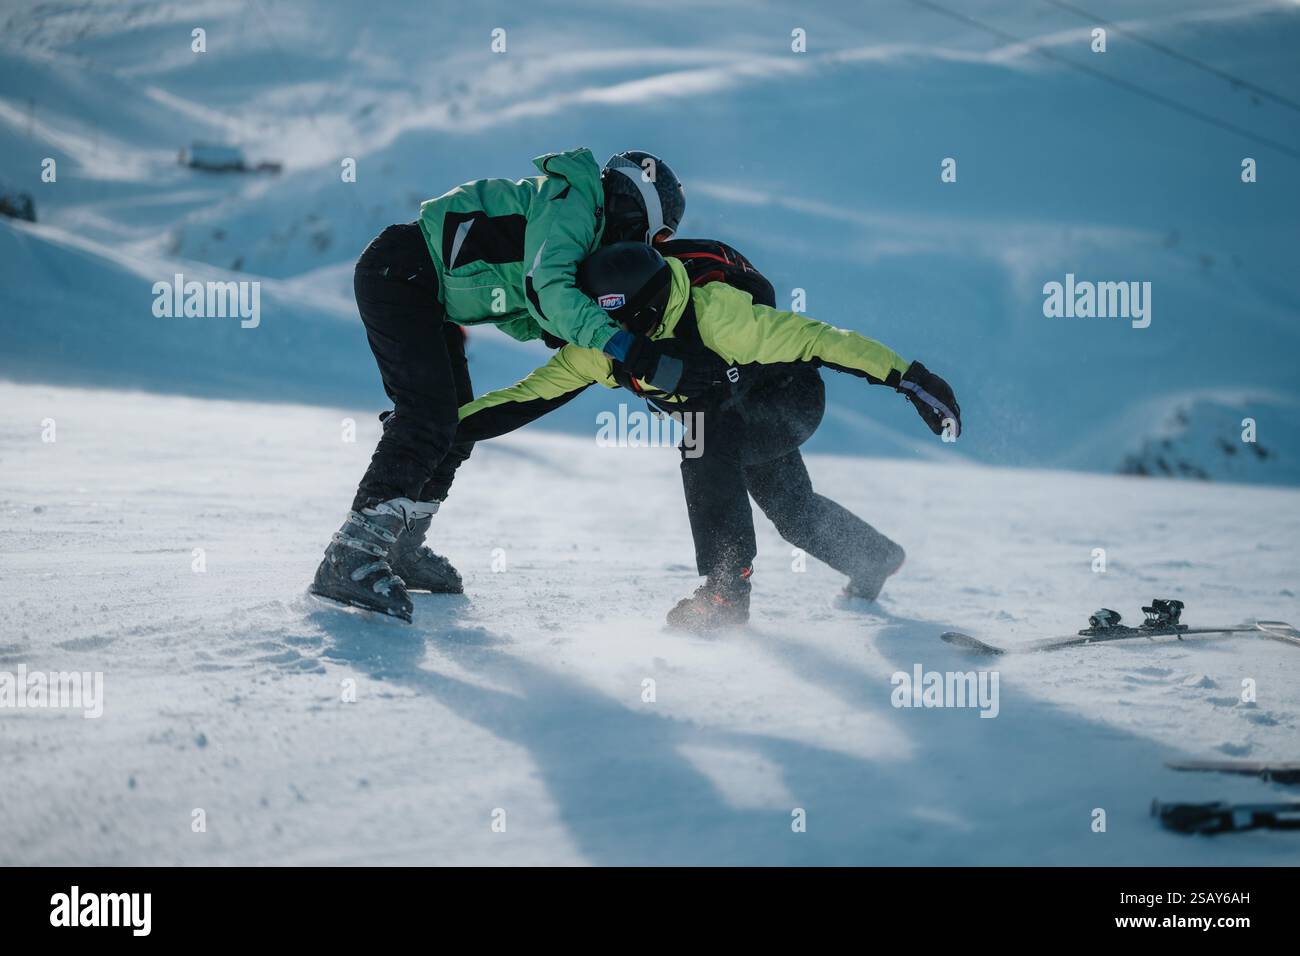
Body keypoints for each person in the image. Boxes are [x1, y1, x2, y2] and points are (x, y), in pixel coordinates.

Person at [454, 241, 961, 631]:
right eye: (609, 326)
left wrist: (911, 380)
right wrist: (441, 427)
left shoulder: (719, 315)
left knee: (702, 438)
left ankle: (725, 593)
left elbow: (822, 340)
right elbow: (527, 395)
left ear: (653, 308)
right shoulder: (602, 344)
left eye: (631, 326)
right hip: (728, 420)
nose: (622, 341)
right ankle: (873, 558)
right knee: (791, 511)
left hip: (787, 400)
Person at [310, 149, 717, 621]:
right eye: (661, 232)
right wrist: (625, 346)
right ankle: (352, 553)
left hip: (428, 293)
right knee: (426, 416)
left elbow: (522, 300)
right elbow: (549, 289)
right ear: (638, 205)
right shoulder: (575, 201)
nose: (657, 244)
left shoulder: (580, 224)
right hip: (400, 272)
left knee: (457, 423)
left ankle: (400, 545)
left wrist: (564, 331)